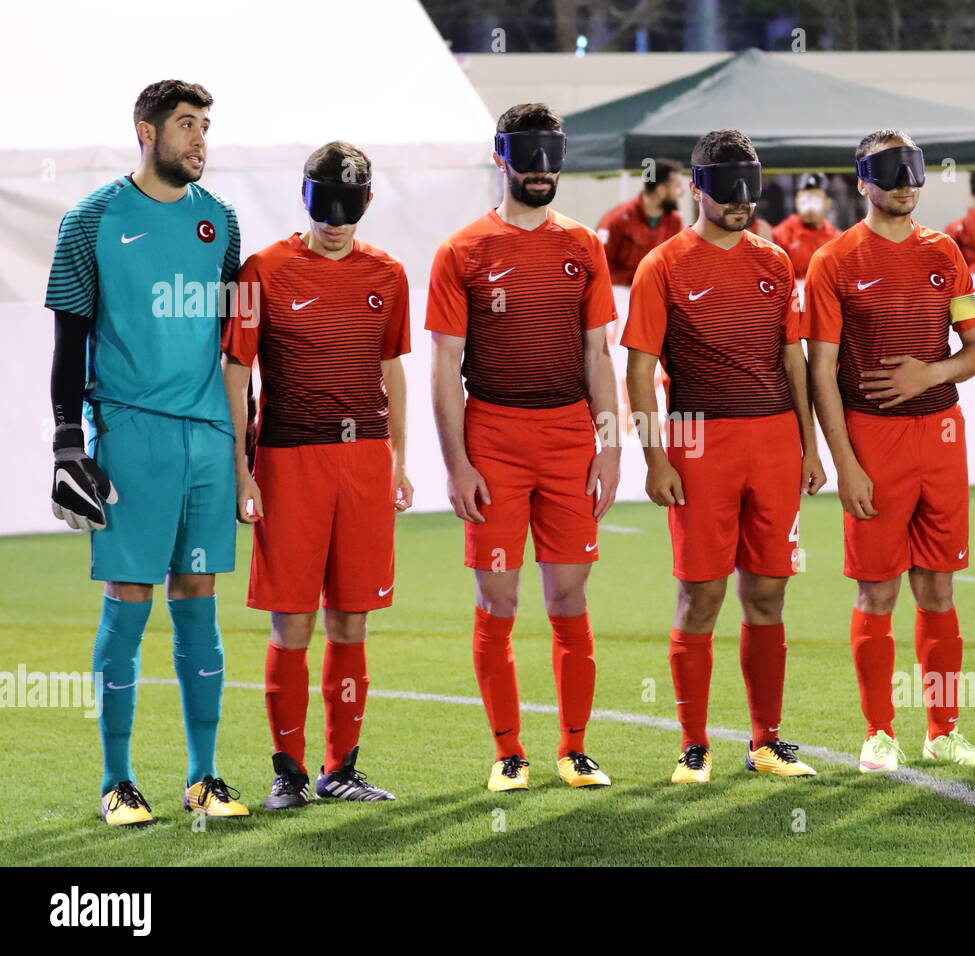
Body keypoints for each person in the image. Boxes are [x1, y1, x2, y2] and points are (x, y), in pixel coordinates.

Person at [46, 80, 248, 826]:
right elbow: (68, 341)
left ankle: (205, 777)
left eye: (205, 127)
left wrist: (245, 447)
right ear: (146, 130)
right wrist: (69, 443)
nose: (200, 140)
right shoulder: (90, 220)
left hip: (208, 440)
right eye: (187, 125)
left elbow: (237, 348)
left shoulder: (221, 223)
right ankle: (117, 782)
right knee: (128, 603)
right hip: (130, 438)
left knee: (199, 603)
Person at [427, 103, 621, 793]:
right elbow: (445, 367)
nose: (541, 170)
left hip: (570, 436)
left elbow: (598, 354)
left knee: (569, 597)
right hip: (494, 438)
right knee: (499, 600)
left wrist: (611, 446)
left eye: (551, 156)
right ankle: (508, 753)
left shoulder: (584, 246)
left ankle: (574, 749)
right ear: (502, 156)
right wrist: (456, 463)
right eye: (528, 156)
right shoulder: (462, 251)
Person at [623, 129, 827, 783]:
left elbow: (793, 359)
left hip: (773, 444)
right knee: (701, 596)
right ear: (699, 187)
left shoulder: (776, 261)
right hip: (697, 443)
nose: (742, 202)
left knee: (768, 593)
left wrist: (809, 444)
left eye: (751, 187)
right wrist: (655, 458)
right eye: (728, 188)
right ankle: (694, 744)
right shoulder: (663, 265)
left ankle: (766, 740)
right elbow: (639, 369)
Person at [223, 141, 411, 808]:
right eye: (324, 204)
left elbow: (392, 369)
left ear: (366, 203)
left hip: (364, 461)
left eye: (348, 206)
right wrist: (241, 468)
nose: (335, 220)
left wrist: (400, 458)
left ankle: (342, 769)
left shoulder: (388, 274)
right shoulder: (262, 270)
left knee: (353, 622)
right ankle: (289, 774)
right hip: (287, 462)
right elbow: (237, 368)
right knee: (292, 624)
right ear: (304, 198)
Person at [805, 129, 975, 774]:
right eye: (890, 172)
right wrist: (845, 463)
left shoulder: (945, 252)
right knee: (878, 593)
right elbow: (821, 372)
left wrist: (930, 374)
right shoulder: (833, 261)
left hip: (940, 436)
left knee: (939, 588)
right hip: (873, 442)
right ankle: (878, 733)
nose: (905, 183)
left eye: (912, 170)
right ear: (862, 179)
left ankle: (943, 732)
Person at [596, 158, 685, 285]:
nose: (681, 193)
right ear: (661, 190)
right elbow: (598, 264)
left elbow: (676, 263)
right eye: (677, 186)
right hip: (618, 292)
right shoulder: (616, 219)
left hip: (656, 290)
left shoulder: (674, 221)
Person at [772, 171, 842, 278]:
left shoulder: (837, 239)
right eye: (804, 201)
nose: (809, 209)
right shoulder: (780, 234)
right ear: (796, 202)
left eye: (815, 201)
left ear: (827, 204)